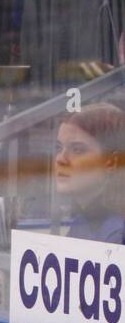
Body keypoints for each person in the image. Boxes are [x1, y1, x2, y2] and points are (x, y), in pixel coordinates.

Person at [53, 103, 125, 243]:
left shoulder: (118, 230)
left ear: (111, 162)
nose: (60, 159)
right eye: (59, 148)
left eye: (78, 150)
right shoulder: (83, 223)